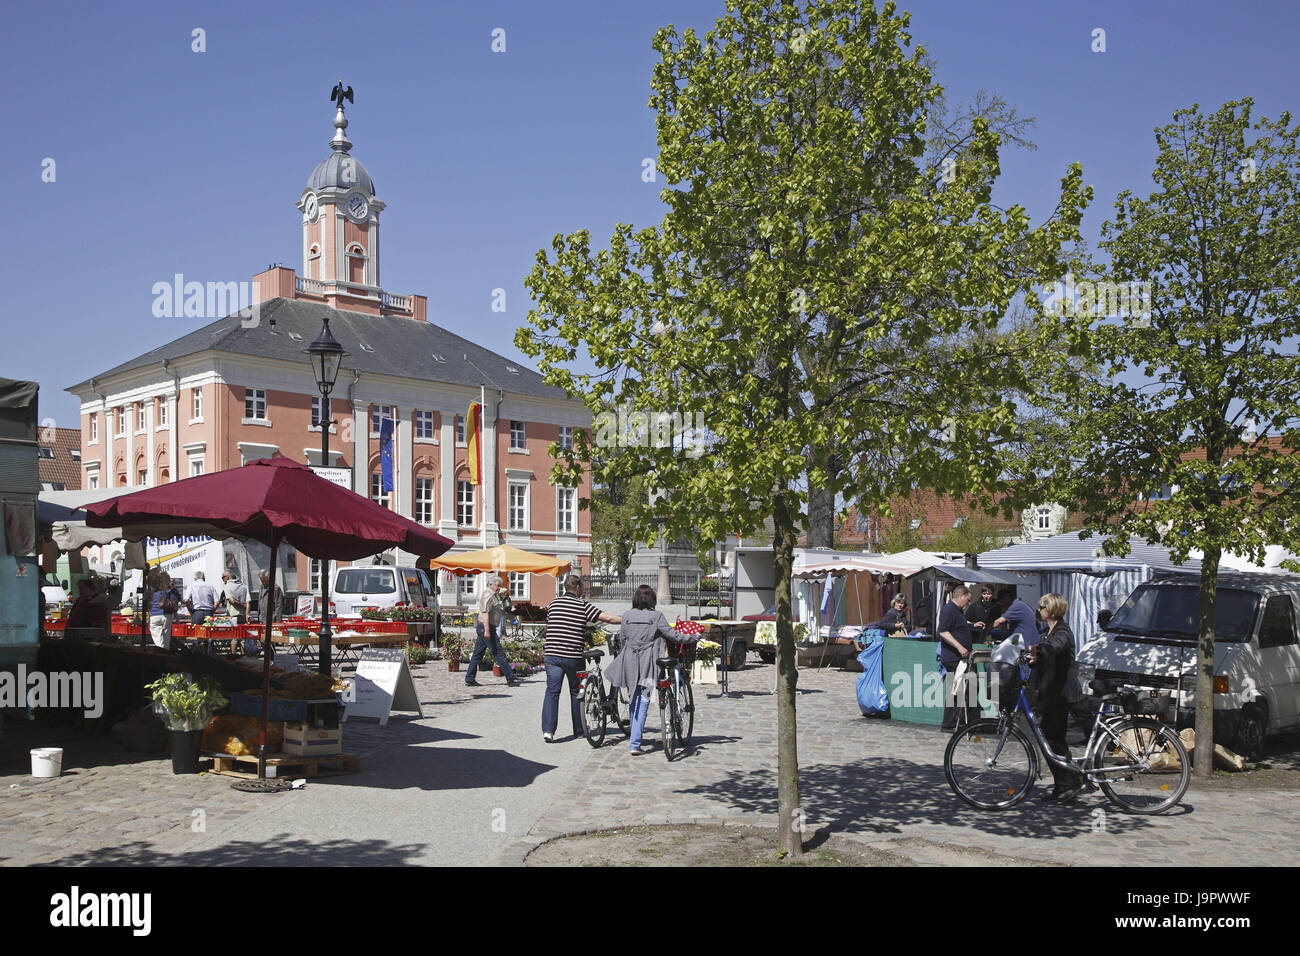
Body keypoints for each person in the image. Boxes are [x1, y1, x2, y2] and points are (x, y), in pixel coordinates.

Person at [604, 585, 699, 755]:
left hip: (629, 661)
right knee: (644, 699)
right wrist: (692, 638)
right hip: (648, 662)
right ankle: (634, 743)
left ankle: (634, 738)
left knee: (633, 698)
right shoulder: (656, 616)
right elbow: (672, 635)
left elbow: (622, 639)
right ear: (652, 599)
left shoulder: (627, 616)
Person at [542, 575, 622, 742]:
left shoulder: (553, 604)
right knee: (575, 692)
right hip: (572, 655)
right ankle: (579, 730)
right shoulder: (582, 605)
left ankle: (548, 731)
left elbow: (550, 624)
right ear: (578, 588)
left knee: (552, 692)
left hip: (552, 655)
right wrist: (627, 619)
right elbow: (607, 618)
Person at [1032, 592, 1085, 802]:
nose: (1039, 610)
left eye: (1042, 607)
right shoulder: (1047, 631)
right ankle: (1067, 781)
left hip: (1062, 694)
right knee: (1053, 739)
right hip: (1053, 693)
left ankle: (1068, 782)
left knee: (1052, 738)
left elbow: (1055, 647)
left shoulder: (1062, 631)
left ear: (1051, 609)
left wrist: (1041, 650)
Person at [938, 585, 978, 731]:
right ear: (962, 596)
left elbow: (957, 624)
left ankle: (960, 721)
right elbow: (943, 631)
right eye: (967, 600)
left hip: (960, 658)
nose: (968, 603)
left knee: (965, 688)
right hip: (954, 658)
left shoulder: (957, 610)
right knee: (957, 690)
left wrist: (972, 625)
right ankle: (951, 723)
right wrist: (959, 647)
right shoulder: (949, 609)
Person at [465, 575, 518, 687]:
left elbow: (498, 611)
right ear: (491, 585)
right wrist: (487, 630)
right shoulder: (488, 595)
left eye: (500, 586)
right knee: (498, 653)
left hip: (486, 627)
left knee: (477, 654)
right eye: (497, 586)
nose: (499, 588)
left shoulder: (494, 596)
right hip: (486, 627)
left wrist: (510, 616)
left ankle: (469, 678)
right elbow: (485, 613)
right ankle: (511, 678)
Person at [146, 568, 181, 650]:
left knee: (158, 641)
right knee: (166, 640)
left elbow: (147, 605)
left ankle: (160, 656)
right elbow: (173, 604)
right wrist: (176, 617)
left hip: (153, 616)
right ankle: (165, 654)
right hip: (166, 615)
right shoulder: (168, 590)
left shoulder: (150, 591)